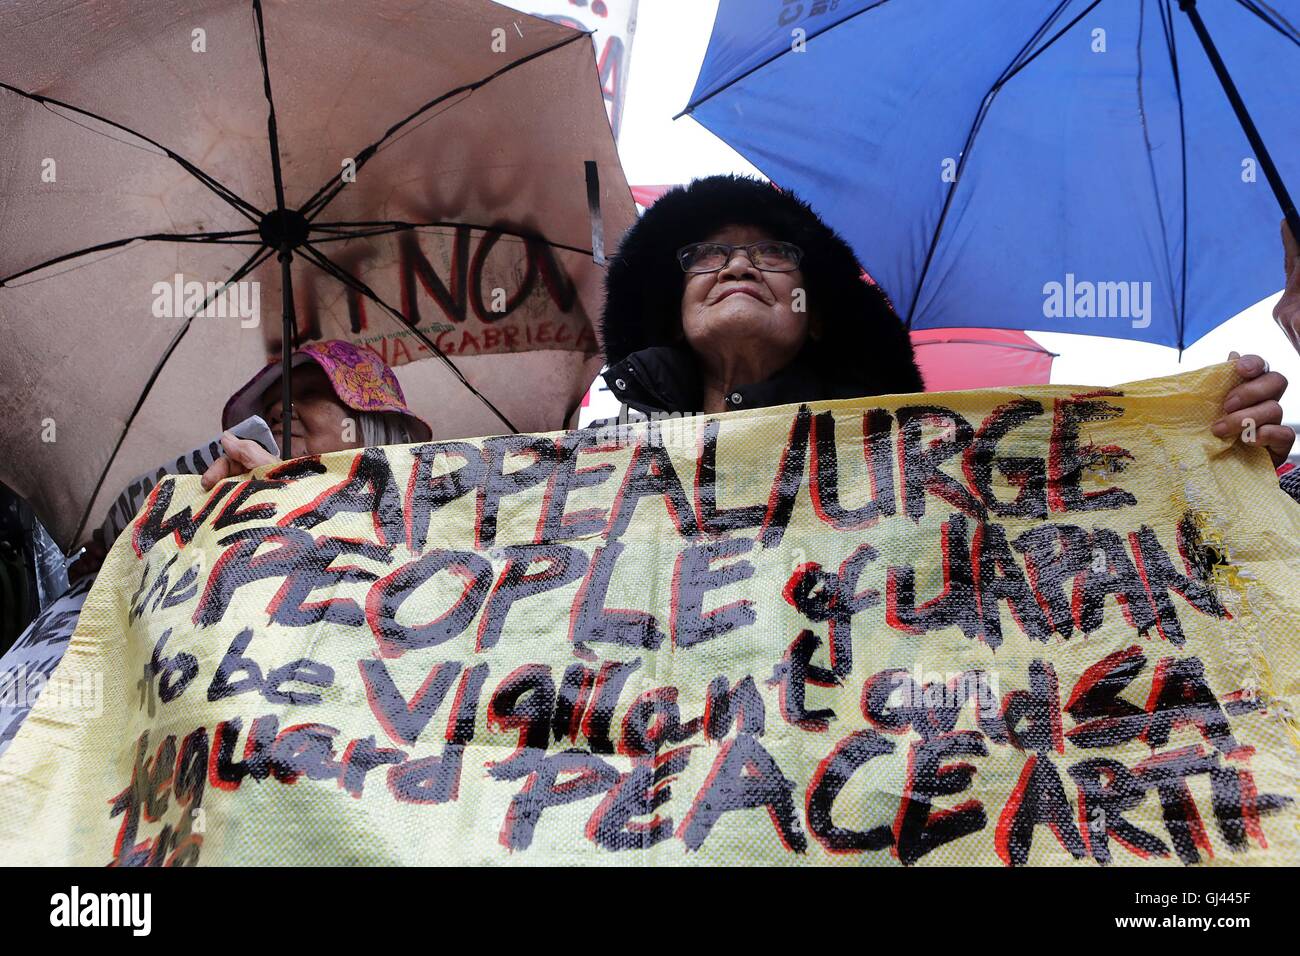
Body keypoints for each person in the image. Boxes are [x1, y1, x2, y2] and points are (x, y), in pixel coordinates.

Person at [598, 174, 1294, 469]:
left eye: (773, 253)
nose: (739, 265)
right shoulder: (592, 463)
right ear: (674, 306)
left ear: (815, 320)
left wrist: (1198, 468)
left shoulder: (914, 464)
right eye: (709, 254)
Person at [201, 339, 431, 489]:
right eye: (269, 405)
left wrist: (288, 490)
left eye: (310, 394)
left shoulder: (422, 513)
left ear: (372, 425)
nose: (276, 410)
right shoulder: (238, 492)